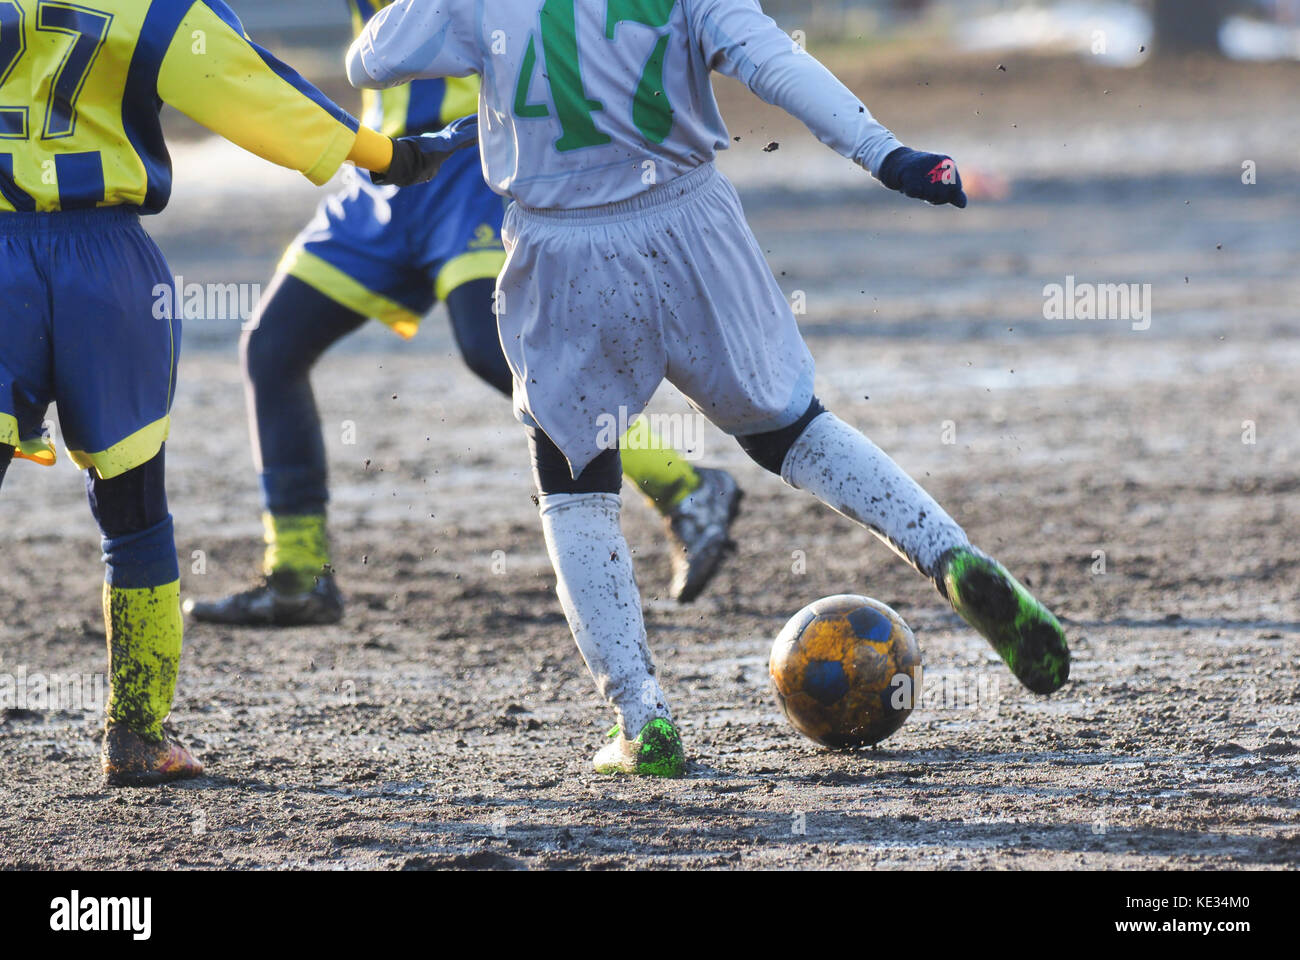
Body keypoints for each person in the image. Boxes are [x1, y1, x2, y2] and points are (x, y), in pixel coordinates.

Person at [347, 0, 1071, 777]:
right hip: (694, 223)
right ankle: (950, 559)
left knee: (574, 478)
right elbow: (777, 66)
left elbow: (369, 61)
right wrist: (887, 154)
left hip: (565, 248)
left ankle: (643, 719)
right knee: (792, 428)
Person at [0, 0, 458, 786]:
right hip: (108, 270)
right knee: (133, 503)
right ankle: (138, 736)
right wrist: (384, 154)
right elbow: (245, 85)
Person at [181, 0, 743, 627]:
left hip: (465, 161)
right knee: (272, 348)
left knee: (493, 348)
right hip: (382, 173)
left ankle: (684, 488)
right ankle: (298, 576)